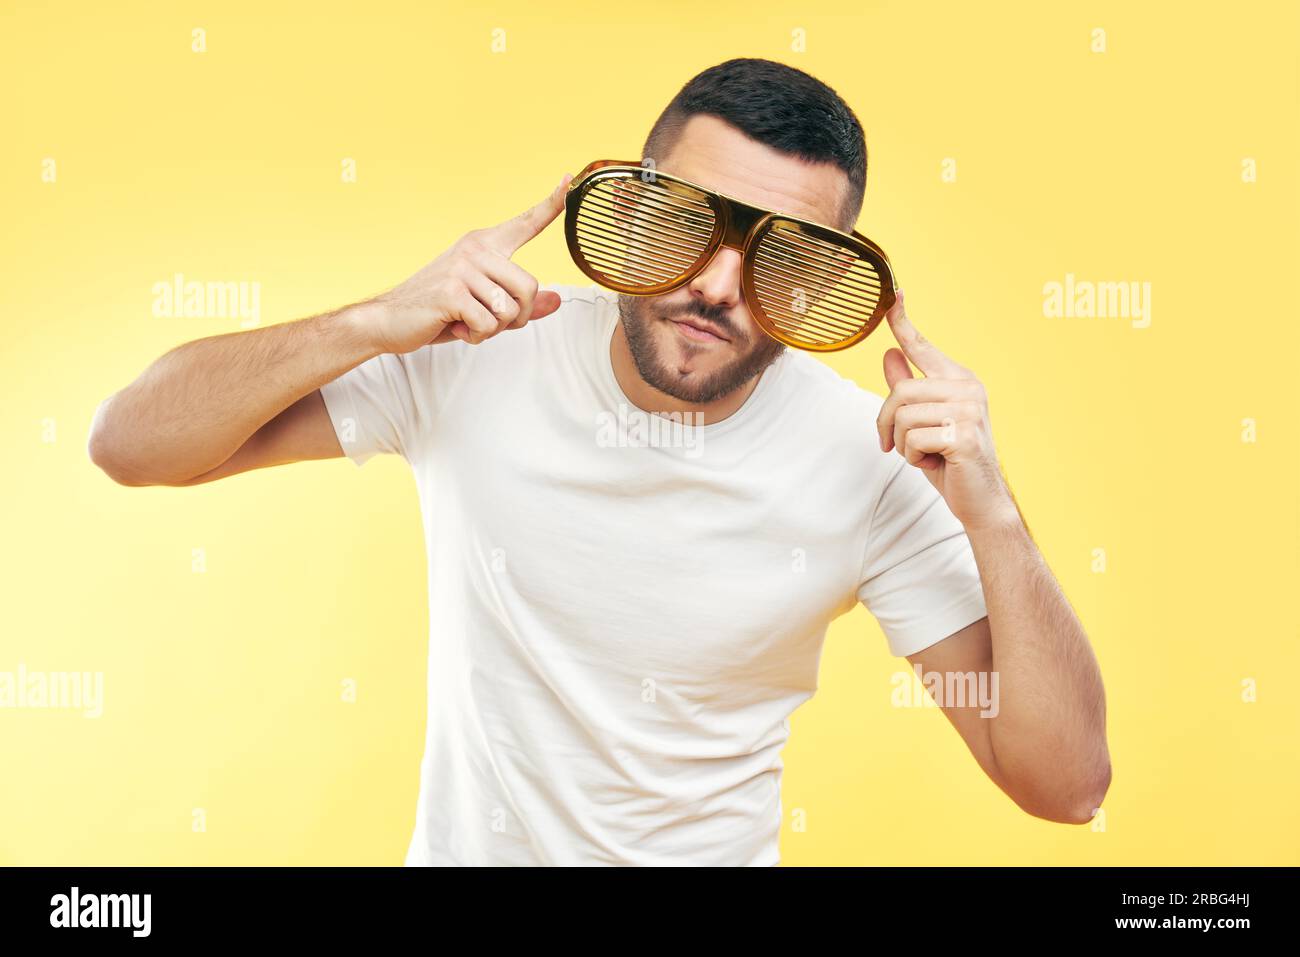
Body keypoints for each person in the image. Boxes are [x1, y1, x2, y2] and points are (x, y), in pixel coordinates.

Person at [89, 58, 1110, 866]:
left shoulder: (874, 458)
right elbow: (130, 446)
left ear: (820, 274)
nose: (718, 284)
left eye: (777, 251)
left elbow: (1065, 788)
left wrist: (995, 517)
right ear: (631, 204)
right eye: (693, 222)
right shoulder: (473, 354)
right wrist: (371, 323)